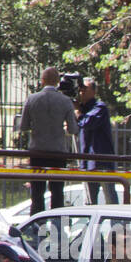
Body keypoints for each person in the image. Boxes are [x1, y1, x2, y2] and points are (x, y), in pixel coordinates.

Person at [19, 67, 78, 214]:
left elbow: (23, 126)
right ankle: (57, 228)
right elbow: (73, 129)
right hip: (58, 153)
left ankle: (36, 227)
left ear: (42, 81)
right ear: (58, 81)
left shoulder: (32, 99)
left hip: (37, 152)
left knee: (37, 193)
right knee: (57, 192)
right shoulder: (65, 101)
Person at [76, 76, 117, 205]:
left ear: (94, 91)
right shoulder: (82, 108)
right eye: (80, 89)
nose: (82, 91)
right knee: (89, 202)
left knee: (110, 199)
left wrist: (77, 113)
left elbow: (88, 122)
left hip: (103, 161)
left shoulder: (100, 107)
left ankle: (118, 224)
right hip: (87, 162)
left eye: (85, 89)